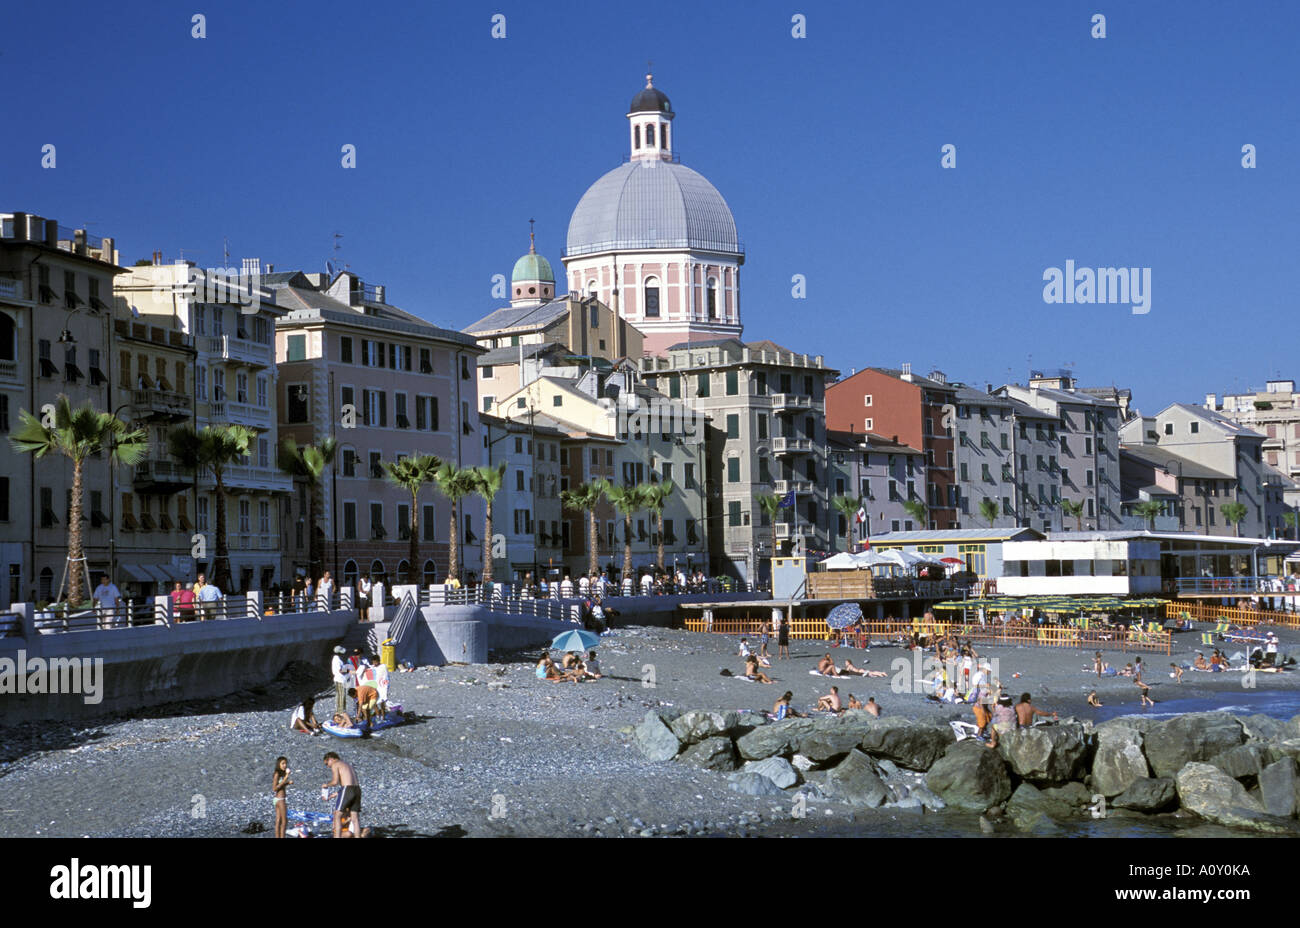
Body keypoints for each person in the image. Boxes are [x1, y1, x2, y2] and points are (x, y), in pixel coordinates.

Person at [323, 752, 361, 839]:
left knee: (337, 815)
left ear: (331, 759)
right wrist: (336, 793)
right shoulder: (347, 765)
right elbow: (349, 783)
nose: (328, 766)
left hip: (347, 789)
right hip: (357, 789)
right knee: (355, 818)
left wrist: (326, 785)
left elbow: (335, 782)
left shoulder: (335, 764)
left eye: (327, 763)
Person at [273, 757, 292, 839]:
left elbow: (280, 785)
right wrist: (286, 777)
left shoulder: (280, 774)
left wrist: (287, 783)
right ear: (278, 764)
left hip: (277, 800)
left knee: (278, 820)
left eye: (285, 763)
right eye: (283, 763)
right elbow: (274, 788)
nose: (285, 765)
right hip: (280, 800)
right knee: (284, 821)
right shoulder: (277, 774)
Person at [331, 646, 353, 713]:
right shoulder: (337, 660)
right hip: (339, 679)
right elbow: (340, 670)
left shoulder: (337, 659)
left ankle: (341, 711)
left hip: (340, 679)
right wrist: (349, 670)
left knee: (341, 696)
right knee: (341, 696)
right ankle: (341, 712)